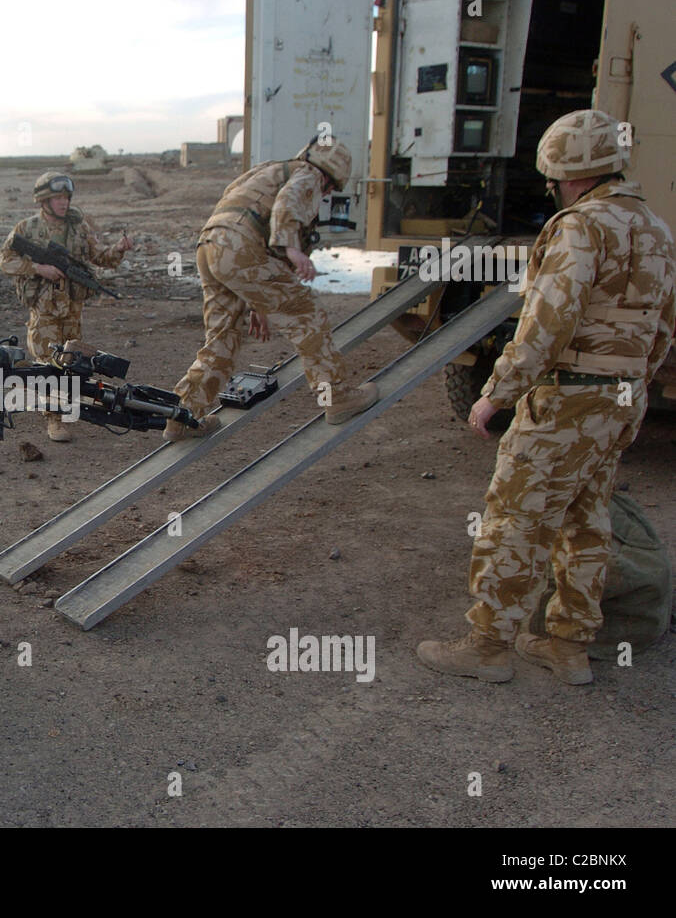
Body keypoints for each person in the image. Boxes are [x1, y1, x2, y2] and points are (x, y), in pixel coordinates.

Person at [418, 109, 675, 685]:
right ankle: (568, 645)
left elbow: (546, 323)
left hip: (567, 401)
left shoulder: (580, 226)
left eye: (555, 177)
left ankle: (486, 646)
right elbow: (663, 327)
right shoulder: (657, 228)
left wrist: (495, 395)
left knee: (513, 521)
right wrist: (634, 383)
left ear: (571, 173)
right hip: (622, 399)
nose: (554, 188)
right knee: (587, 519)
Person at [165, 137, 377, 441]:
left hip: (210, 245)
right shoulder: (309, 174)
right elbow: (287, 205)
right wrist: (291, 247)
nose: (327, 193)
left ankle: (183, 416)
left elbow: (237, 205)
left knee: (222, 339)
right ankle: (337, 397)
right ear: (330, 175)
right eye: (331, 188)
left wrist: (259, 303)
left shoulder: (269, 170)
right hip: (241, 248)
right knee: (307, 313)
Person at [0, 171, 132, 442]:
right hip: (45, 310)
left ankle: (69, 407)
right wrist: (38, 268)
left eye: (66, 197)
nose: (63, 203)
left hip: (72, 309)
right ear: (43, 200)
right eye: (57, 197)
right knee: (46, 362)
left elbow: (99, 258)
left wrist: (119, 248)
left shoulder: (79, 229)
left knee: (72, 361)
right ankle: (54, 419)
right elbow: (6, 261)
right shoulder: (27, 228)